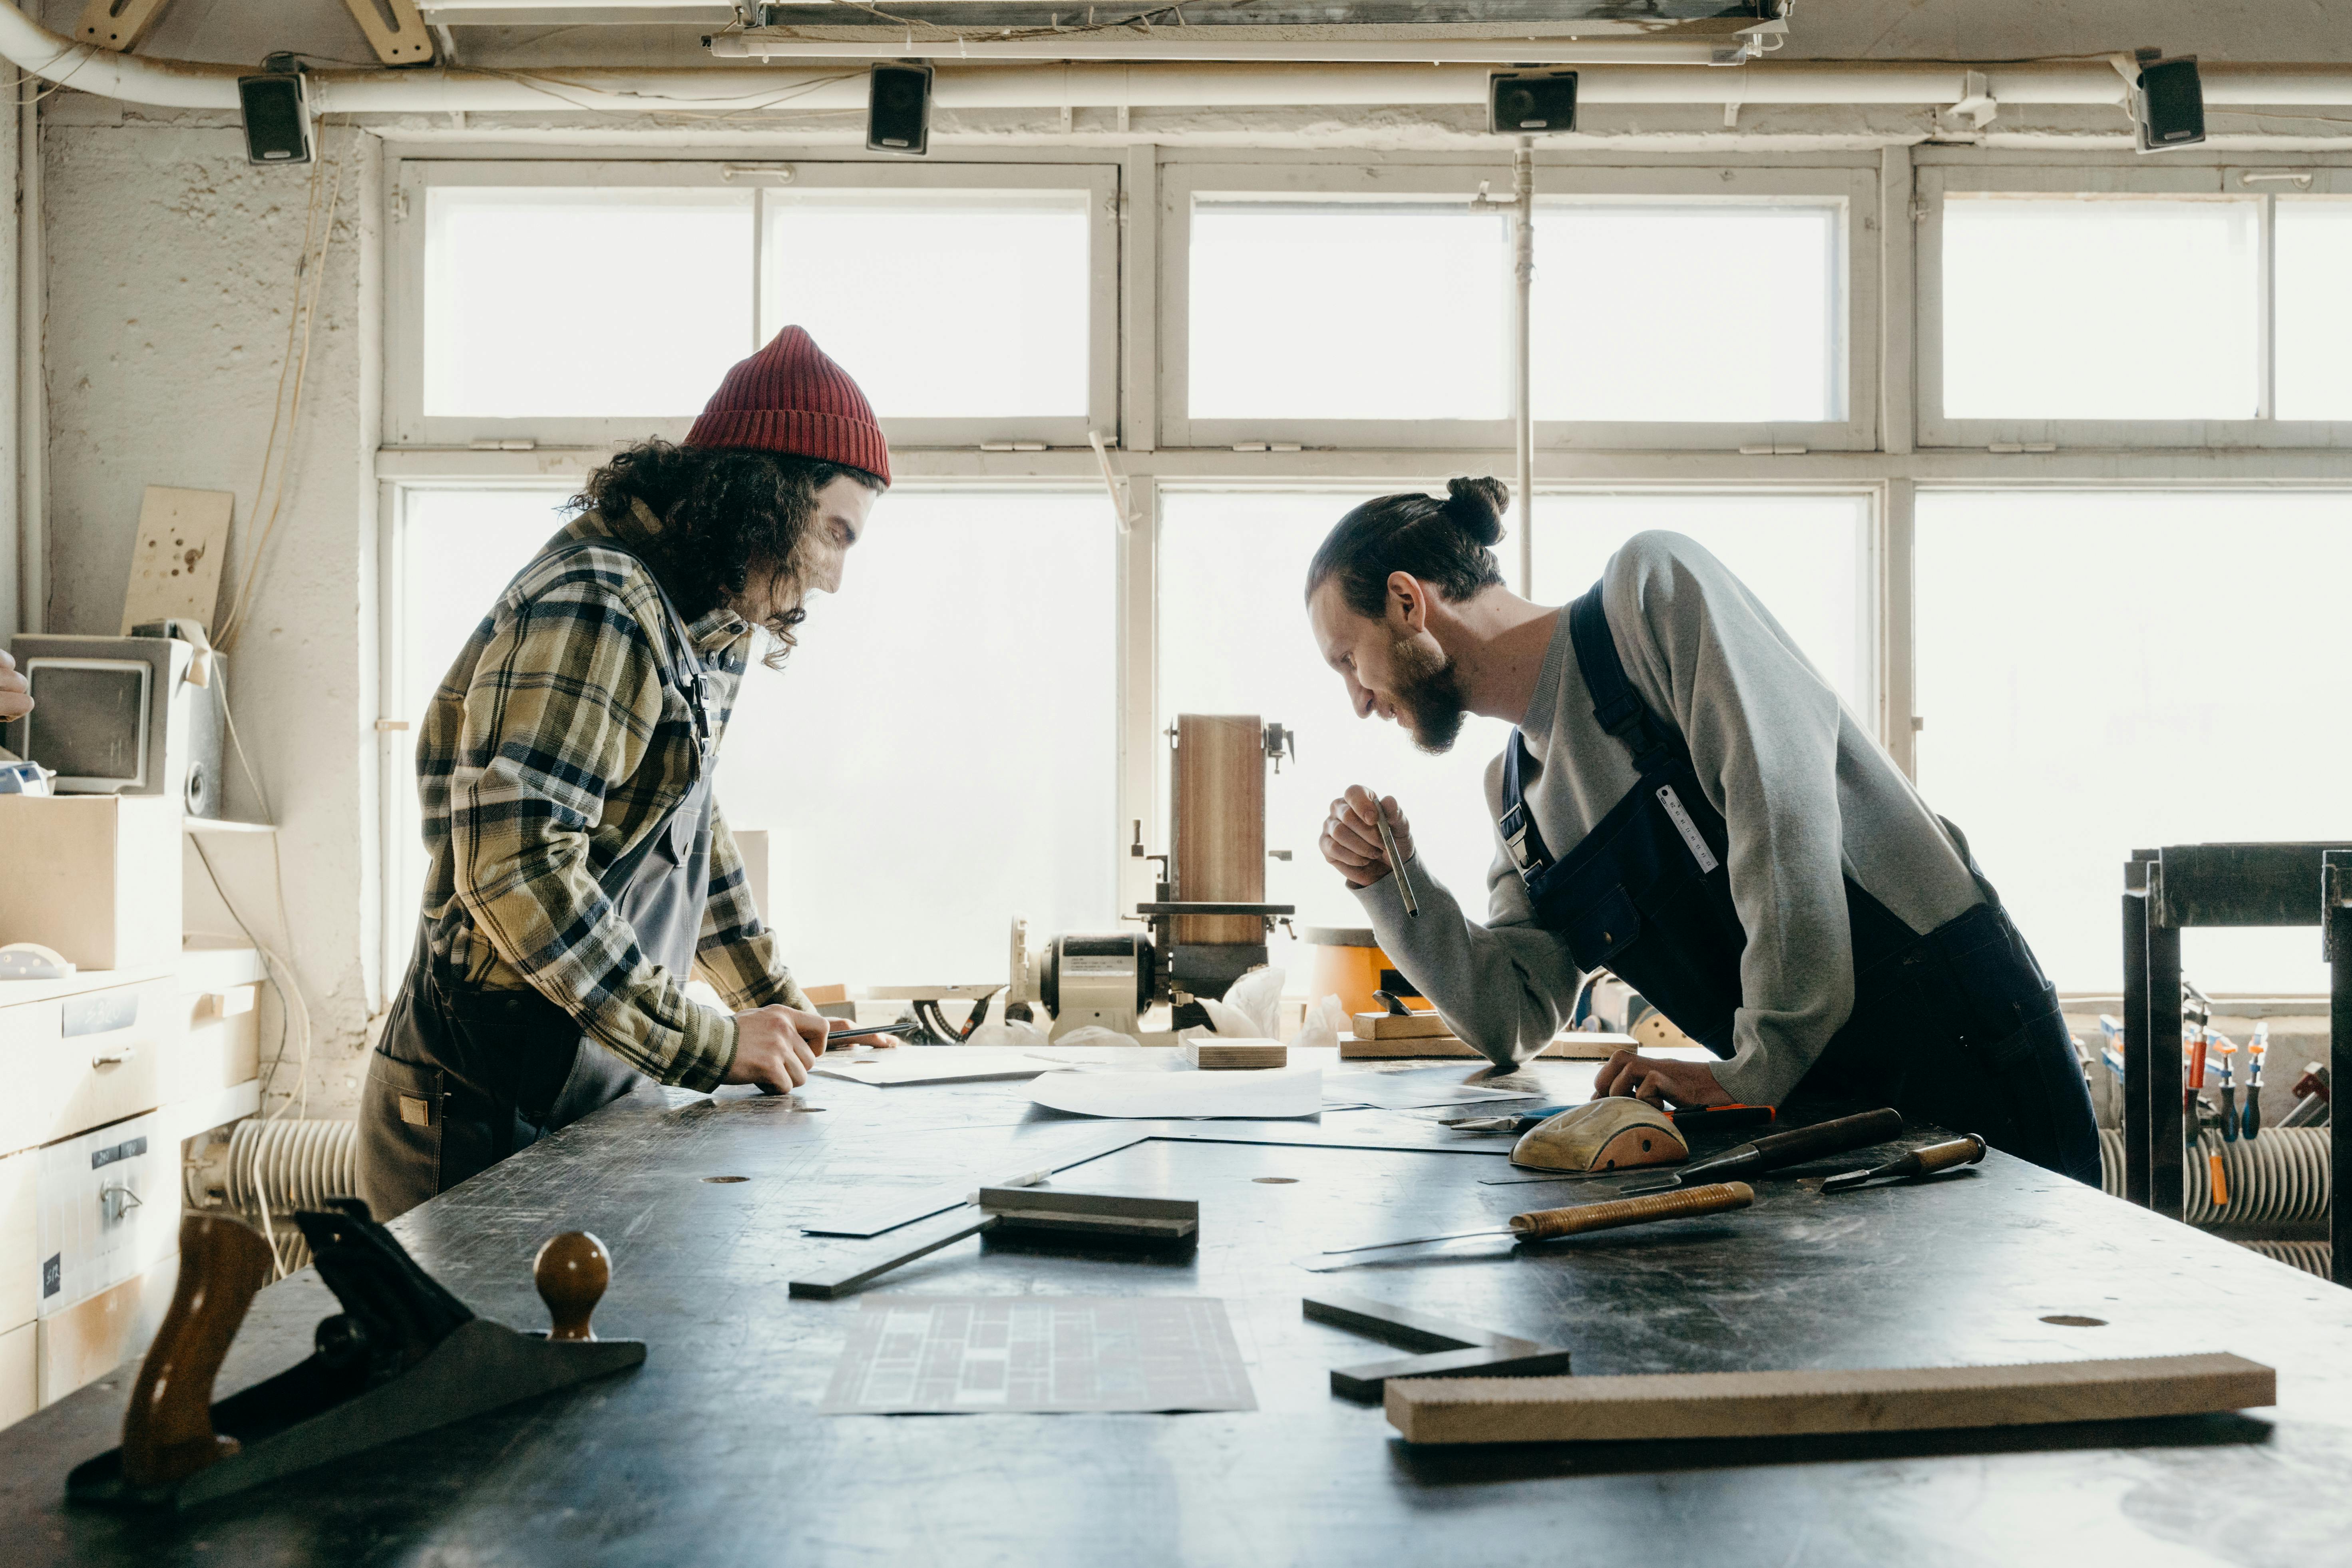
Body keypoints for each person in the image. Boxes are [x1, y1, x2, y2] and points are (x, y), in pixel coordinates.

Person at [1305, 477, 2099, 1183]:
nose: (1359, 701)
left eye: (1349, 659)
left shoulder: (1650, 597)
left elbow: (1780, 802)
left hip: (1967, 1046)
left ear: (1408, 602)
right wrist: (1389, 885)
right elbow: (1513, 1018)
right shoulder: (1518, 800)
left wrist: (1759, 1064)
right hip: (1819, 1105)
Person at [358, 327, 888, 1219]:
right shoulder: (601, 601)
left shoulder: (705, 622)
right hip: (484, 1101)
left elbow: (690, 831)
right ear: (764, 495)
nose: (833, 578)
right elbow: (517, 868)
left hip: (584, 1073)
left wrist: (777, 1013)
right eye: (834, 533)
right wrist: (711, 1043)